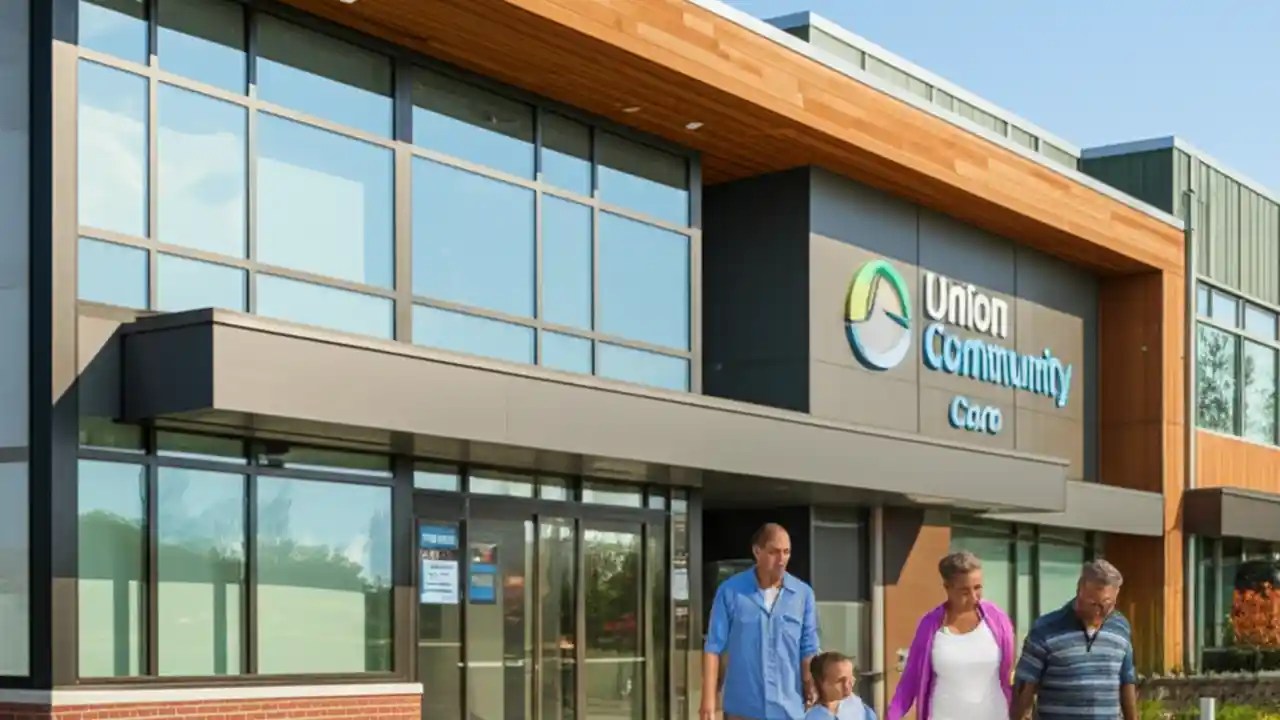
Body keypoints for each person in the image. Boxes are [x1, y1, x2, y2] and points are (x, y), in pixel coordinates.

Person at [702, 523, 820, 720]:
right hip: (743, 709)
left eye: (786, 552)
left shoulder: (803, 595)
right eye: (774, 552)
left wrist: (812, 685)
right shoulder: (730, 591)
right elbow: (713, 648)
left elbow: (809, 648)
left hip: (789, 710)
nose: (782, 560)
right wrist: (708, 701)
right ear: (757, 551)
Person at [886, 551, 1015, 720]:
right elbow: (909, 681)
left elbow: (1012, 673)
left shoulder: (997, 619)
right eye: (964, 591)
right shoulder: (930, 625)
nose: (974, 597)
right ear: (947, 587)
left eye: (978, 588)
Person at [1011, 559, 1137, 720]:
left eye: (1108, 604)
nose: (1101, 611)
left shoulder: (1121, 627)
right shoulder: (1045, 629)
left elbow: (1127, 680)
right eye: (1094, 604)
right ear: (1080, 590)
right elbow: (1025, 687)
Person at [804, 651, 876, 720]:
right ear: (821, 682)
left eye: (850, 679)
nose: (847, 686)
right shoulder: (810, 716)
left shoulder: (860, 709)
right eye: (840, 681)